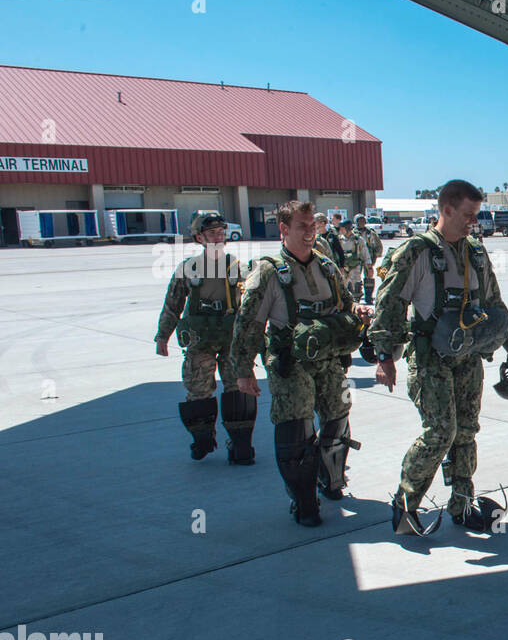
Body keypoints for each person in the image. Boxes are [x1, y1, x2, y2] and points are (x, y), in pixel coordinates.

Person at [370, 180, 508, 535]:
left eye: (476, 216)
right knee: (440, 432)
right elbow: (390, 303)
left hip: (468, 358)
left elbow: (493, 304)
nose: (474, 223)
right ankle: (406, 504)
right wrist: (385, 355)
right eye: (468, 215)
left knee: (466, 433)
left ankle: (463, 505)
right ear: (447, 210)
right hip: (430, 360)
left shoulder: (477, 253)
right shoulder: (417, 252)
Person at [230, 201, 374, 526]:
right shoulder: (267, 271)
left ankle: (331, 478)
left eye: (312, 226)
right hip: (289, 362)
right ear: (283, 228)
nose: (310, 232)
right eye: (302, 226)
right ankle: (304, 499)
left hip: (328, 358)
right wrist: (242, 371)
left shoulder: (325, 265)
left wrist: (358, 311)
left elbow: (346, 301)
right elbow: (248, 324)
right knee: (296, 432)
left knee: (337, 420)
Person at [155, 212, 256, 464]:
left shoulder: (237, 267)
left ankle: (241, 443)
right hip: (200, 342)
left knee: (238, 392)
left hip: (231, 341)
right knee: (198, 391)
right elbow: (172, 305)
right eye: (212, 234)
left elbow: (256, 302)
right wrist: (162, 337)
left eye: (221, 233)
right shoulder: (188, 269)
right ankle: (202, 439)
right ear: (199, 237)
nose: (218, 238)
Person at [355, 214, 382, 304]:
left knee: (369, 277)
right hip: (356, 259)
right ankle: (356, 297)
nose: (361, 223)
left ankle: (368, 297)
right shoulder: (353, 233)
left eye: (363, 221)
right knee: (356, 278)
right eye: (359, 221)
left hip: (368, 258)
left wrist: (376, 255)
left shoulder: (370, 233)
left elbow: (378, 245)